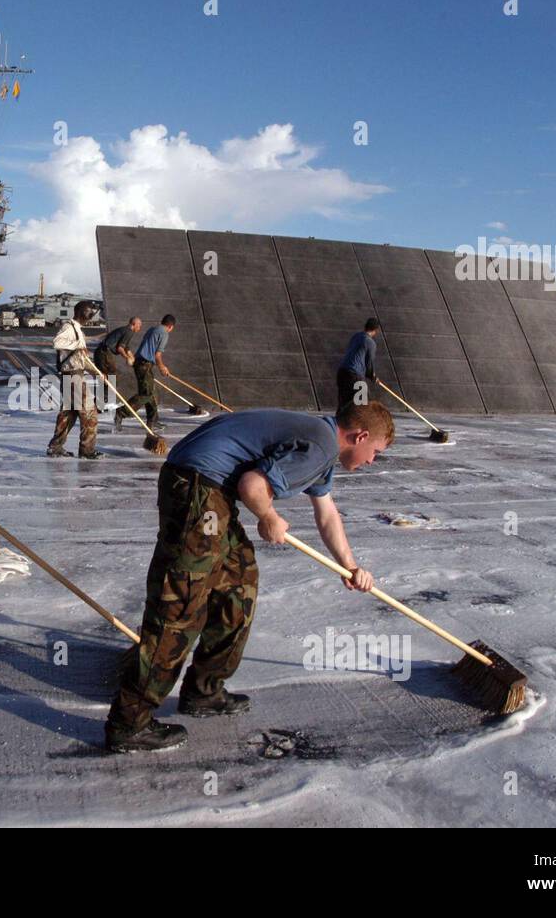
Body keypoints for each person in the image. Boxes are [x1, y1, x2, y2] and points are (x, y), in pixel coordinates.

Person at [105, 401, 395, 753]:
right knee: (182, 603)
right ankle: (129, 723)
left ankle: (204, 691)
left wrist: (350, 566)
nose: (371, 461)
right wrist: (268, 516)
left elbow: (327, 513)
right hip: (198, 485)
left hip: (210, 488)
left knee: (238, 584)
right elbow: (252, 485)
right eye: (374, 452)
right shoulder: (321, 445)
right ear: (360, 436)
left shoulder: (321, 444)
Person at [46, 300, 102, 459]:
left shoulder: (78, 330)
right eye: (89, 311)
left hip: (74, 374)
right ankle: (87, 450)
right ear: (81, 312)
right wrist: (78, 344)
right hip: (72, 376)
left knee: (68, 414)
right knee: (90, 414)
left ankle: (55, 447)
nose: (91, 315)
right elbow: (57, 343)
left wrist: (95, 372)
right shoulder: (68, 327)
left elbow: (82, 359)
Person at [120, 314, 175, 431]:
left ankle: (153, 421)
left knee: (151, 393)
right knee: (146, 394)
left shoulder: (152, 329)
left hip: (139, 363)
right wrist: (162, 367)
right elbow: (157, 354)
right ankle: (121, 413)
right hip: (144, 365)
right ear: (170, 326)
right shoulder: (164, 334)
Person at [336, 318, 380, 413]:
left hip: (342, 372)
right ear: (376, 330)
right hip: (354, 375)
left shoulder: (356, 336)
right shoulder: (370, 343)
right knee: (363, 406)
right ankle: (360, 427)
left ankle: (337, 426)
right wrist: (373, 376)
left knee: (344, 405)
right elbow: (369, 365)